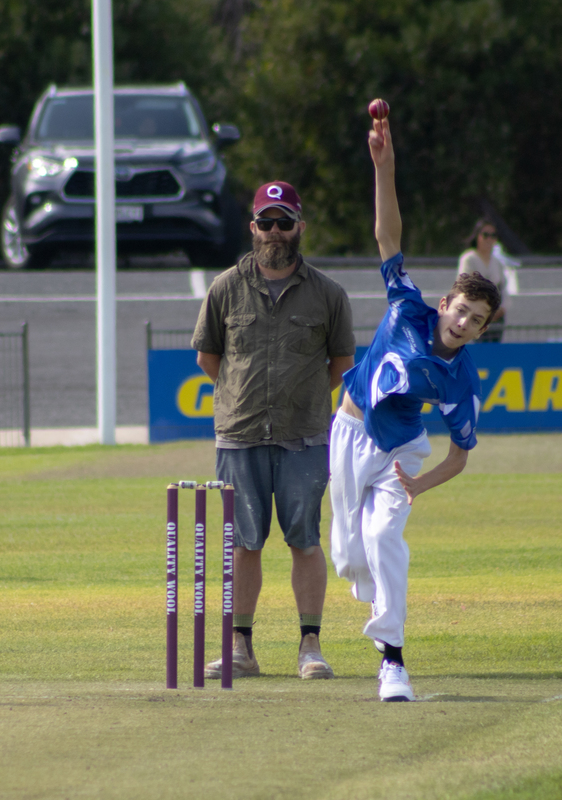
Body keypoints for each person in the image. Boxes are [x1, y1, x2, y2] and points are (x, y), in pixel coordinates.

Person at [329, 118, 501, 702]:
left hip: (399, 453)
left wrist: (418, 487)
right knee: (350, 556)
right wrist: (384, 167)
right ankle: (379, 617)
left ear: (481, 330)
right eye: (460, 310)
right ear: (444, 302)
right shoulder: (406, 307)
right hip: (349, 431)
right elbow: (388, 236)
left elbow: (461, 454)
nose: (463, 323)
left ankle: (393, 663)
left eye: (476, 321)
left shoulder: (460, 379)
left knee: (384, 541)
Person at [191, 180, 355, 680]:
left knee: (304, 540)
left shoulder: (328, 293)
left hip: (305, 437)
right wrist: (245, 398)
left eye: (285, 222)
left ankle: (310, 645)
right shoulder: (224, 288)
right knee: (245, 542)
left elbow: (341, 364)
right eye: (267, 221)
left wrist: (298, 400)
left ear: (300, 227)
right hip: (239, 436)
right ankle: (241, 647)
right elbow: (209, 358)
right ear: (253, 227)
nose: (276, 232)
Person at [458, 219, 510, 342]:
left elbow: (503, 288)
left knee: (494, 354)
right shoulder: (469, 259)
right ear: (477, 237)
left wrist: (501, 309)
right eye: (485, 235)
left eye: (493, 236)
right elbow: (465, 287)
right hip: (474, 316)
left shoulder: (497, 262)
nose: (489, 239)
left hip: (496, 318)